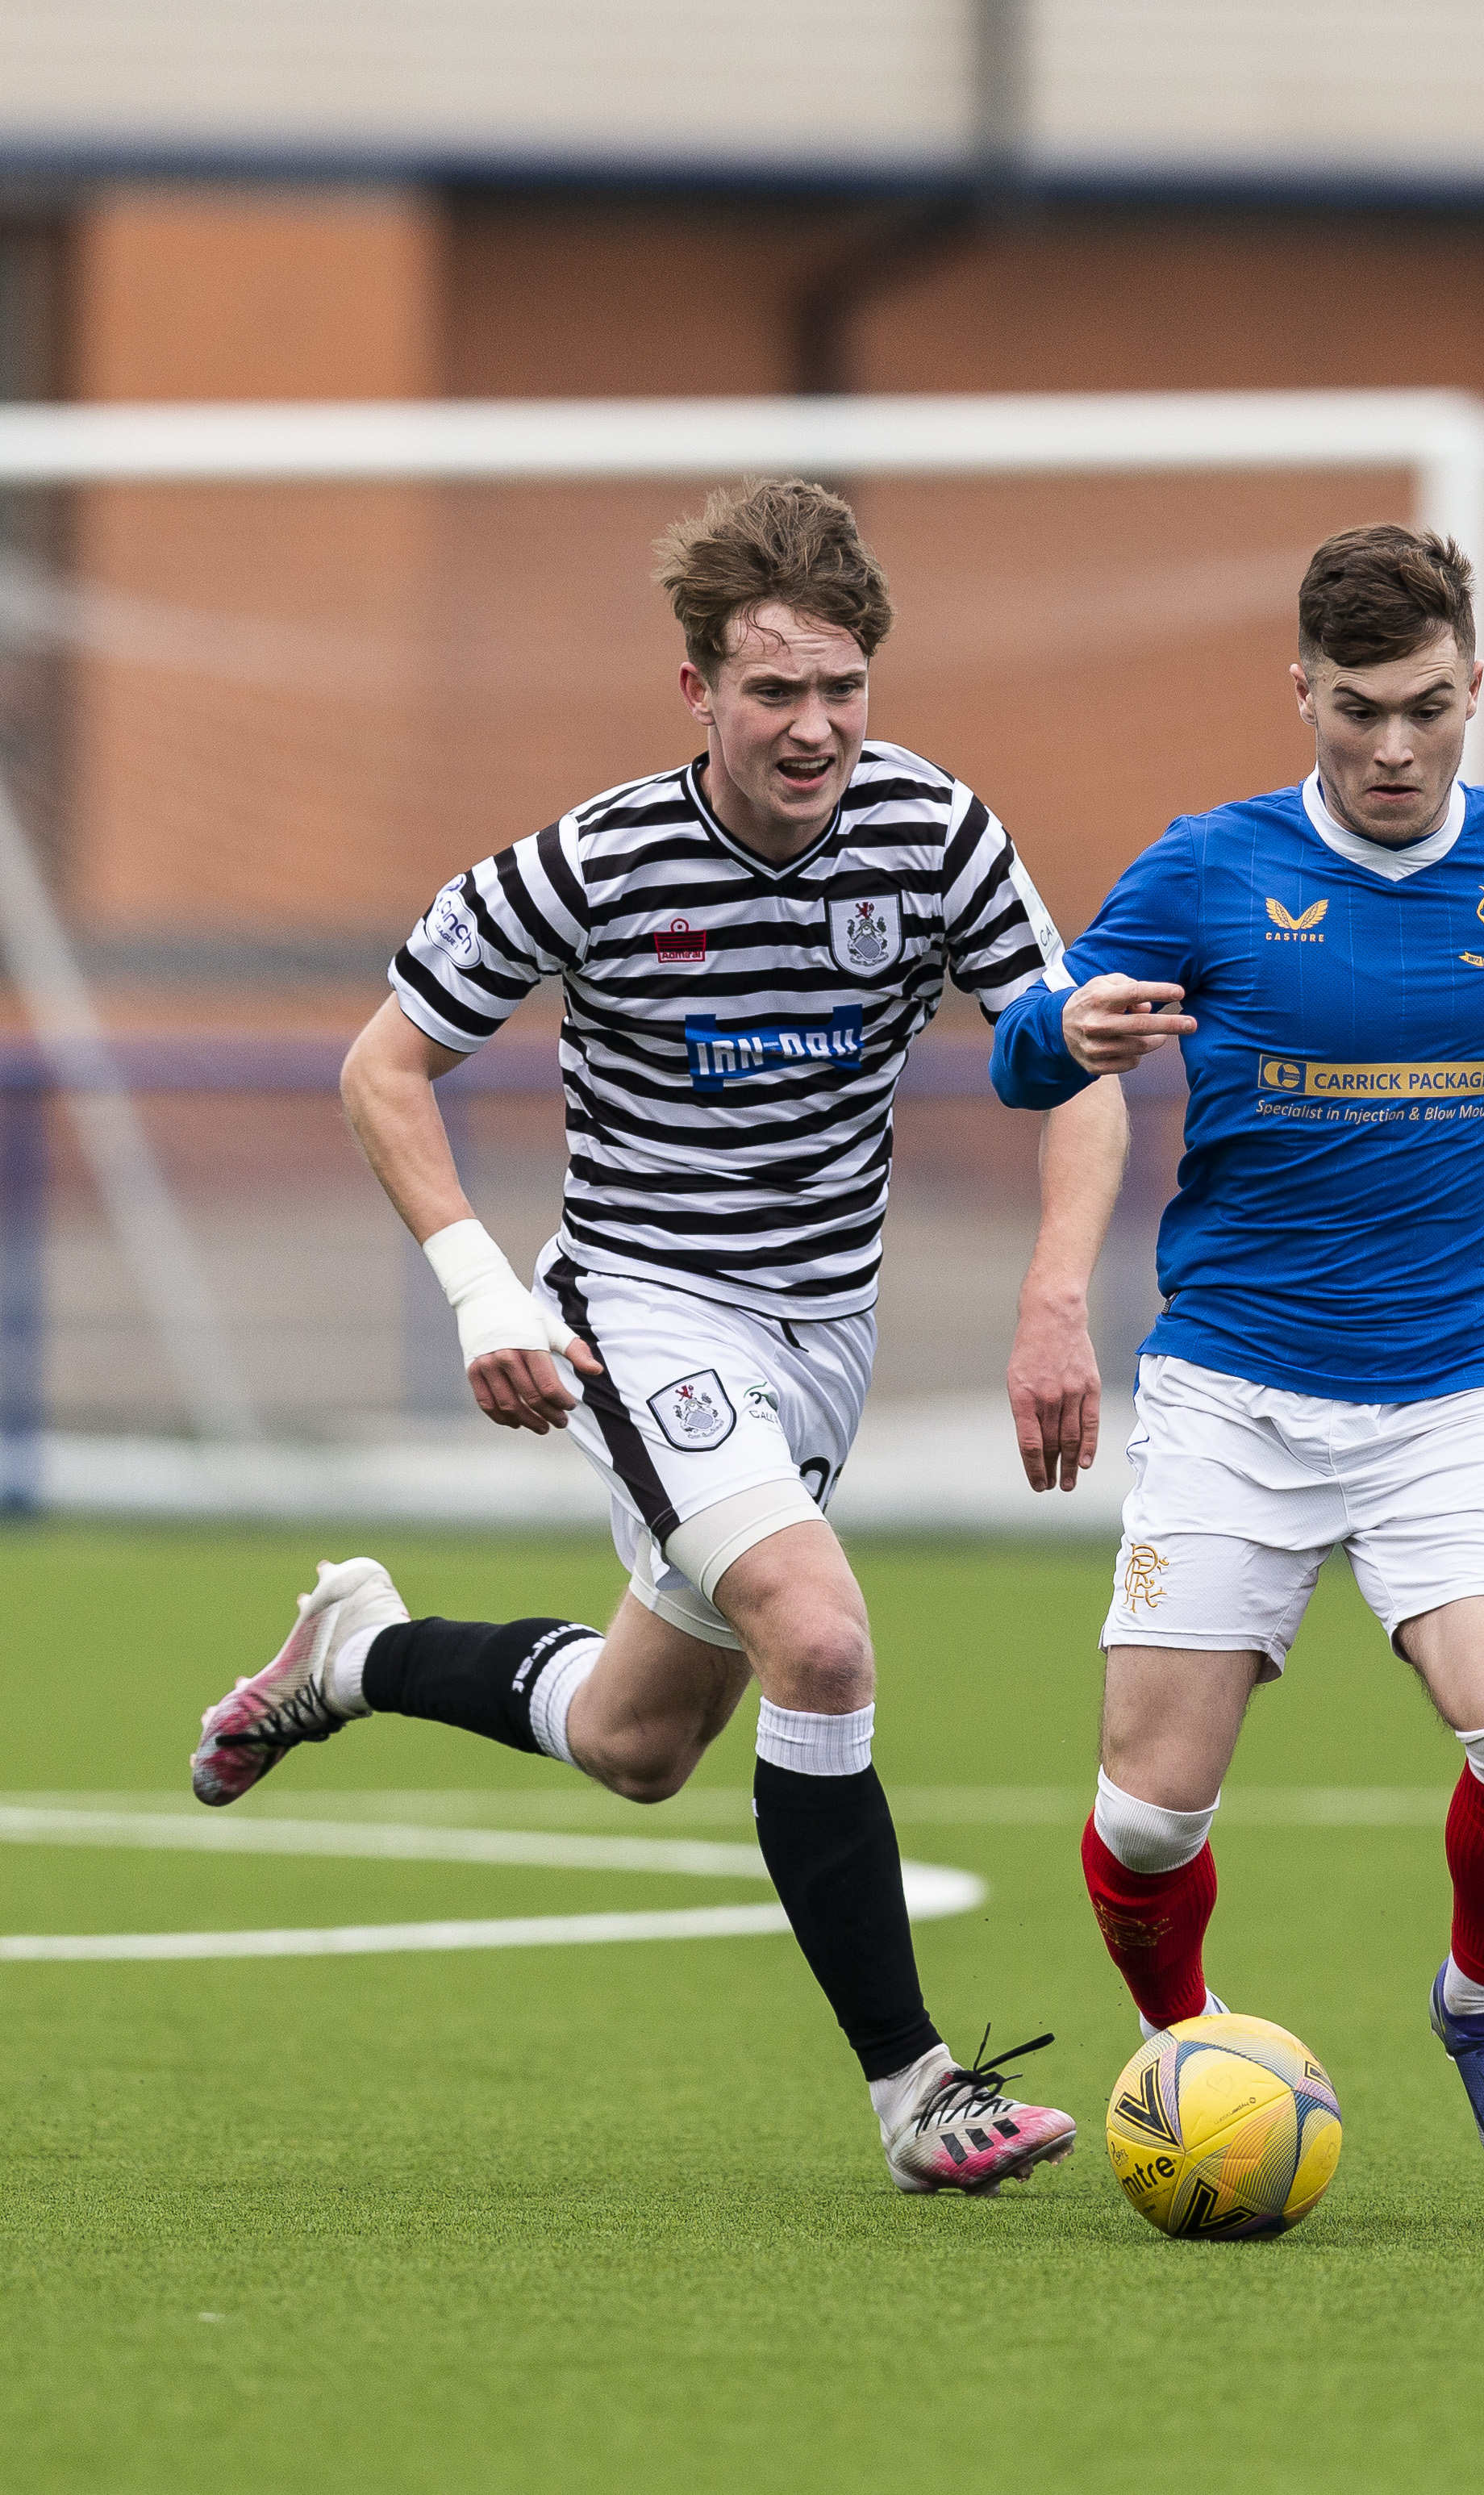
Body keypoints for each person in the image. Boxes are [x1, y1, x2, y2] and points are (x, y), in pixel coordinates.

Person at [188, 479, 1103, 2194]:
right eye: (774, 690)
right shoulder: (594, 860)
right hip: (644, 1307)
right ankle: (918, 2089)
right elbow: (383, 1065)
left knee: (636, 1742)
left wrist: (1056, 1292)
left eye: (842, 687)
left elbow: (1069, 1066)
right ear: (697, 690)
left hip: (823, 1338)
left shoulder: (937, 834)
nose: (814, 726)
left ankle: (357, 1652)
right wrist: (486, 1293)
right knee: (819, 1642)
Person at [988, 524, 1484, 2204]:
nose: (1396, 746)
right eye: (1359, 710)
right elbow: (1023, 1052)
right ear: (1302, 693)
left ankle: (1478, 2007)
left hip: (1457, 1380)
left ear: (1474, 683)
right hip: (1232, 1384)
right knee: (1146, 1822)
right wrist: (1062, 1030)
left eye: (1428, 705)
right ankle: (1193, 2056)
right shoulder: (1206, 869)